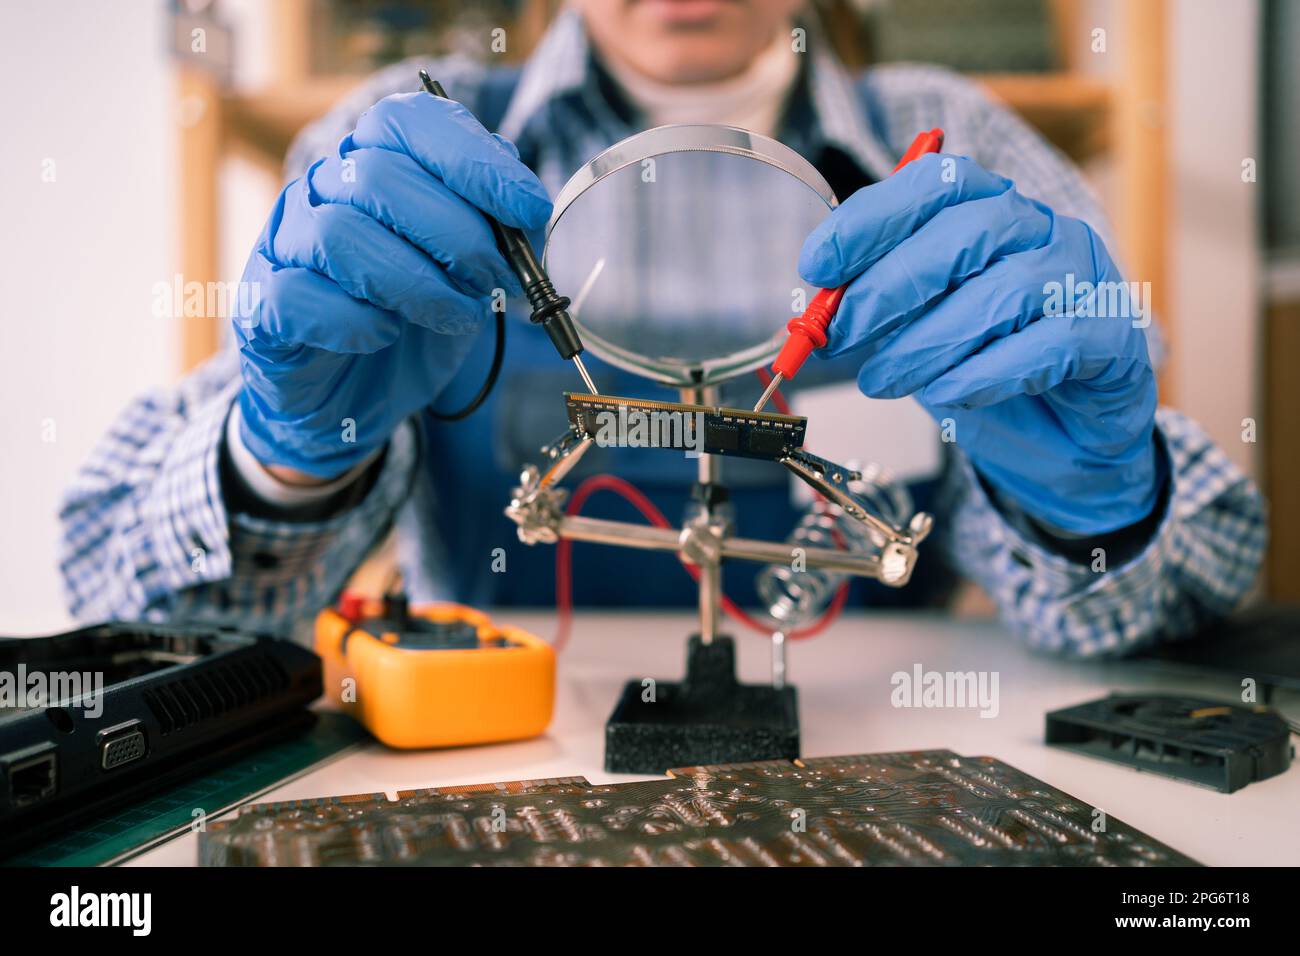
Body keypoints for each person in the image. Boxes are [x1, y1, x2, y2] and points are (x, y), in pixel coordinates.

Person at [60, 0, 1264, 656]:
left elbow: (1172, 609)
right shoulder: (407, 141)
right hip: (498, 770)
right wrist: (281, 459)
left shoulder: (951, 141)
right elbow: (132, 610)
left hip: (876, 774)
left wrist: (1102, 511)